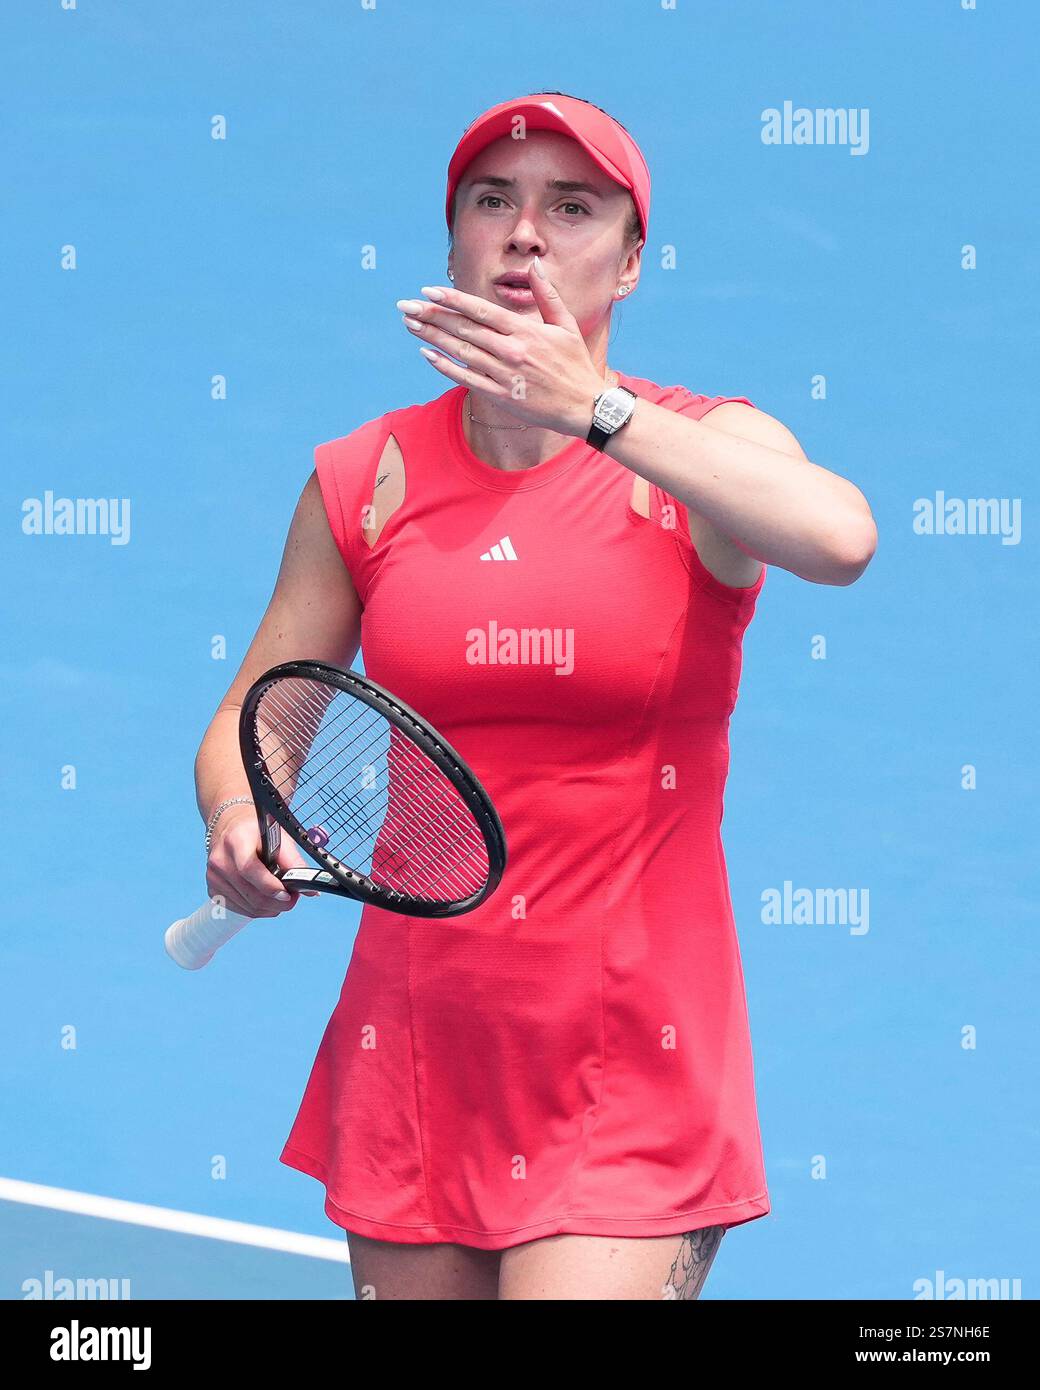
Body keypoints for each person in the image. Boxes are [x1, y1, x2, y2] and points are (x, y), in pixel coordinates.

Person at [194, 91, 877, 1301]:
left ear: (627, 263)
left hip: (631, 1057)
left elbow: (839, 538)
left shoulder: (704, 450)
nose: (523, 233)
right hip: (419, 1048)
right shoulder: (369, 477)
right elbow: (265, 709)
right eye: (492, 202)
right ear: (450, 241)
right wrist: (244, 815)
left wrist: (595, 414)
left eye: (571, 208)